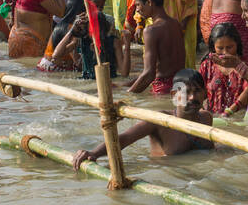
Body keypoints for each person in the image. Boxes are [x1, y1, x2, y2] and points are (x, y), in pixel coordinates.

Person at [73, 69, 215, 165]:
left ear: (205, 94)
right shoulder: (159, 121)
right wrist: (94, 153)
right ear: (174, 95)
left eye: (197, 91)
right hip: (166, 178)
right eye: (186, 92)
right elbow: (125, 138)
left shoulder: (206, 118)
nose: (192, 97)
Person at [128, 0, 186, 95]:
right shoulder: (176, 24)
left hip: (163, 89)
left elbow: (149, 74)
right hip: (181, 85)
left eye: (138, 4)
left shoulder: (151, 30)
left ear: (149, 2)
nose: (137, 10)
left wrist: (128, 94)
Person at [197, 22, 248, 117]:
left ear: (237, 44)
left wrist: (230, 111)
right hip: (212, 115)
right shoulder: (207, 66)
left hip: (237, 117)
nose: (225, 52)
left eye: (229, 47)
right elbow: (198, 91)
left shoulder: (244, 65)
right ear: (213, 47)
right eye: (220, 48)